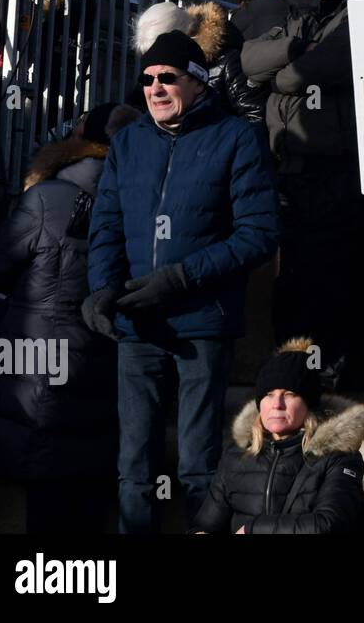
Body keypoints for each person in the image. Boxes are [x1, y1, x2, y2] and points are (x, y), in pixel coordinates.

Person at [83, 30, 279, 534]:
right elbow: (105, 225)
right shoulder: (128, 141)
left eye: (167, 78)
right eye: (147, 79)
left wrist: (180, 278)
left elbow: (258, 234)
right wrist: (103, 288)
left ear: (196, 83)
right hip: (137, 324)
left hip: (201, 325)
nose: (155, 88)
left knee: (198, 464)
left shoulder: (236, 137)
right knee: (134, 464)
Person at [0, 103, 138, 532]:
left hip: (34, 374)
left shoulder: (46, 198)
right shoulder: (140, 203)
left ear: (79, 142)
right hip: (104, 371)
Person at [240, 0, 364, 385]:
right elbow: (249, 61)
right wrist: (295, 51)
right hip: (291, 173)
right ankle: (291, 378)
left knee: (332, 283)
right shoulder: (301, 14)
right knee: (294, 283)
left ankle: (326, 382)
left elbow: (325, 67)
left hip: (338, 174)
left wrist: (285, 72)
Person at [191, 338, 364, 534]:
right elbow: (206, 524)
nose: (277, 404)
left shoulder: (338, 457)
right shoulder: (236, 454)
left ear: (308, 404)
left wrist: (253, 529)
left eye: (289, 394)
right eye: (268, 394)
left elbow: (330, 524)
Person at [131, 1, 264, 123]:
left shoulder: (226, 60)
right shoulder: (154, 74)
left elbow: (255, 116)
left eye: (162, 50)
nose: (155, 89)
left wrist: (221, 142)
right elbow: (138, 105)